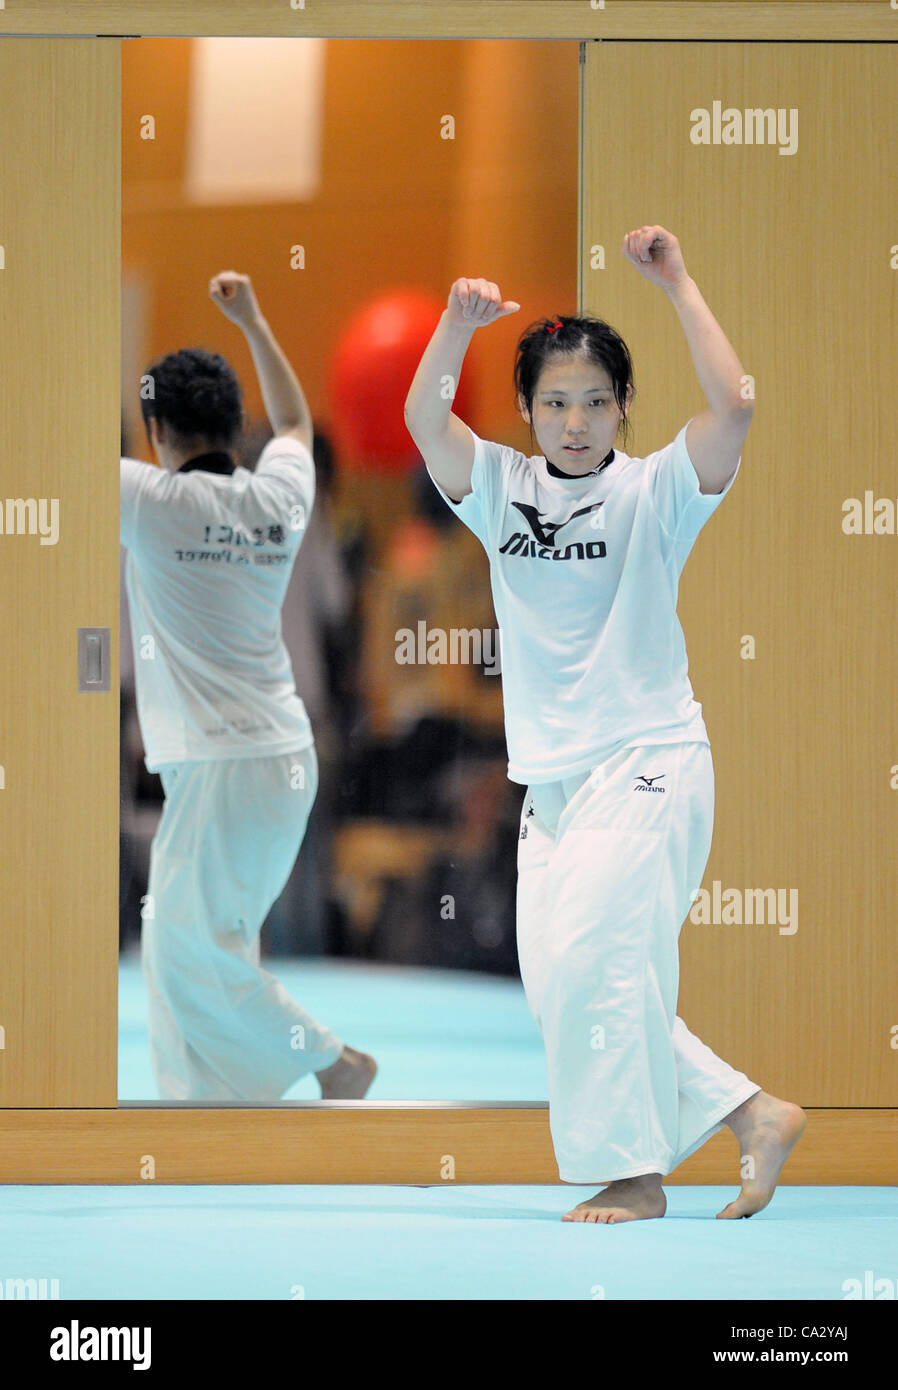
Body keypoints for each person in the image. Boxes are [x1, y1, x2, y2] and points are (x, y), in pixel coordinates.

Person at [404, 226, 805, 1223]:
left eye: (593, 401)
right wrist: (454, 327)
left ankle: (634, 1175)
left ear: (623, 406)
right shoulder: (500, 487)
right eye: (553, 401)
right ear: (528, 410)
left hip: (649, 760)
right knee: (565, 991)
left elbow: (733, 404)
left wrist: (678, 282)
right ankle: (753, 1111)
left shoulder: (655, 490)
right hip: (553, 784)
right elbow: (423, 416)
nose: (573, 421)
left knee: (595, 961)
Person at [120, 269, 375, 1101]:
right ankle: (217, 1115)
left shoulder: (148, 498)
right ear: (236, 424)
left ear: (156, 430)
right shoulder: (276, 495)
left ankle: (332, 1059)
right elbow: (297, 421)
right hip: (284, 757)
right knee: (210, 941)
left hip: (225, 766)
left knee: (184, 947)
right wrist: (255, 322)